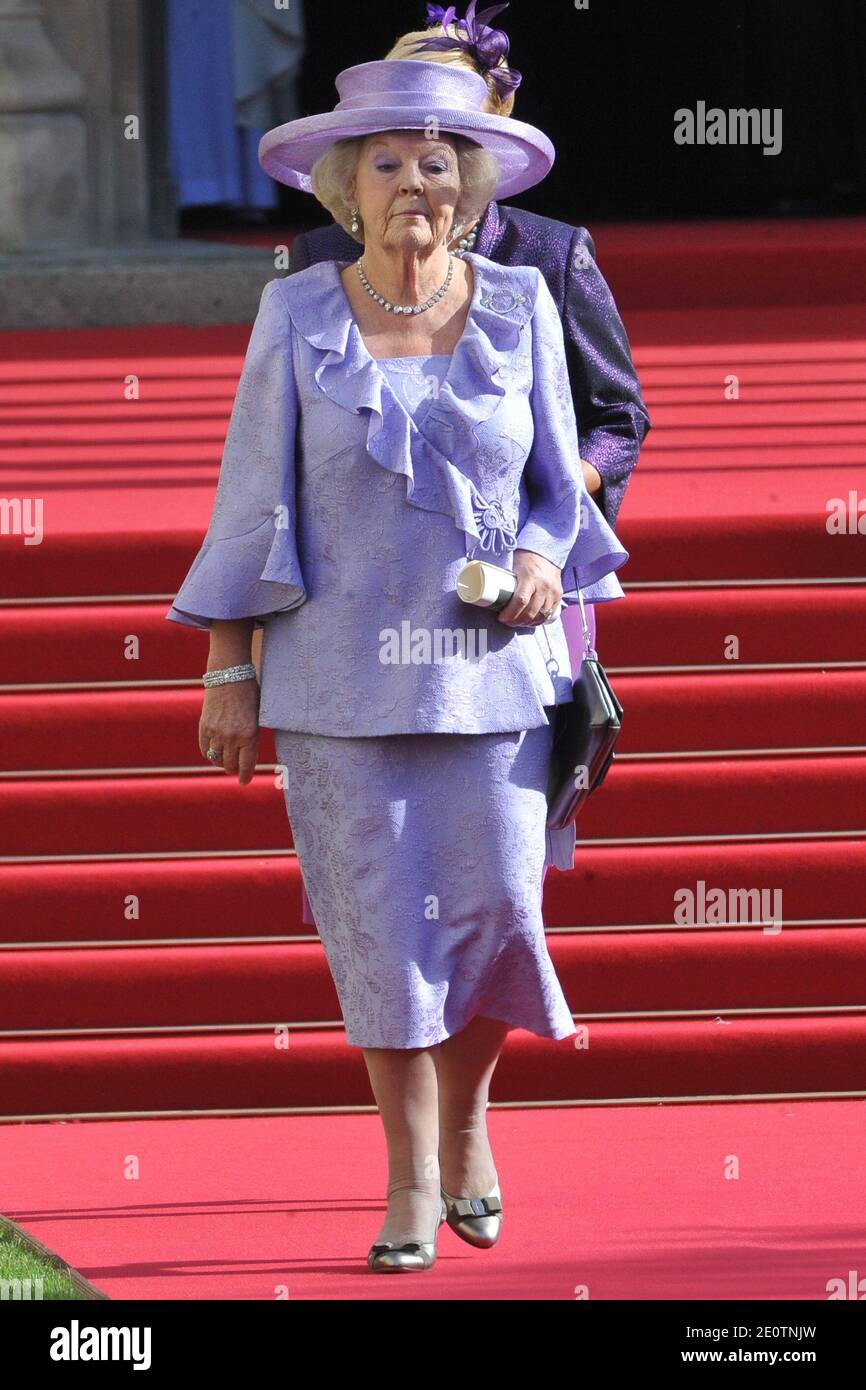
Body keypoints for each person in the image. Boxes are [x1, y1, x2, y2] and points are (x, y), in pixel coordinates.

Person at [166, 56, 628, 1273]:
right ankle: (410, 1180)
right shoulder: (295, 315)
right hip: (338, 686)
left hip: (492, 675)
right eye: (388, 163)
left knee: (493, 920)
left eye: (438, 162)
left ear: (470, 187)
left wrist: (540, 553)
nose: (415, 182)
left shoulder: (523, 307)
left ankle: (470, 1131)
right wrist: (228, 667)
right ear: (344, 191)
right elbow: (252, 500)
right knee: (379, 935)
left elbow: (556, 490)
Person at [286, 3, 651, 931]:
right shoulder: (320, 262)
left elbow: (620, 417)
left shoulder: (550, 256)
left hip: (521, 573)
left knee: (501, 848)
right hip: (372, 588)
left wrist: (555, 492)